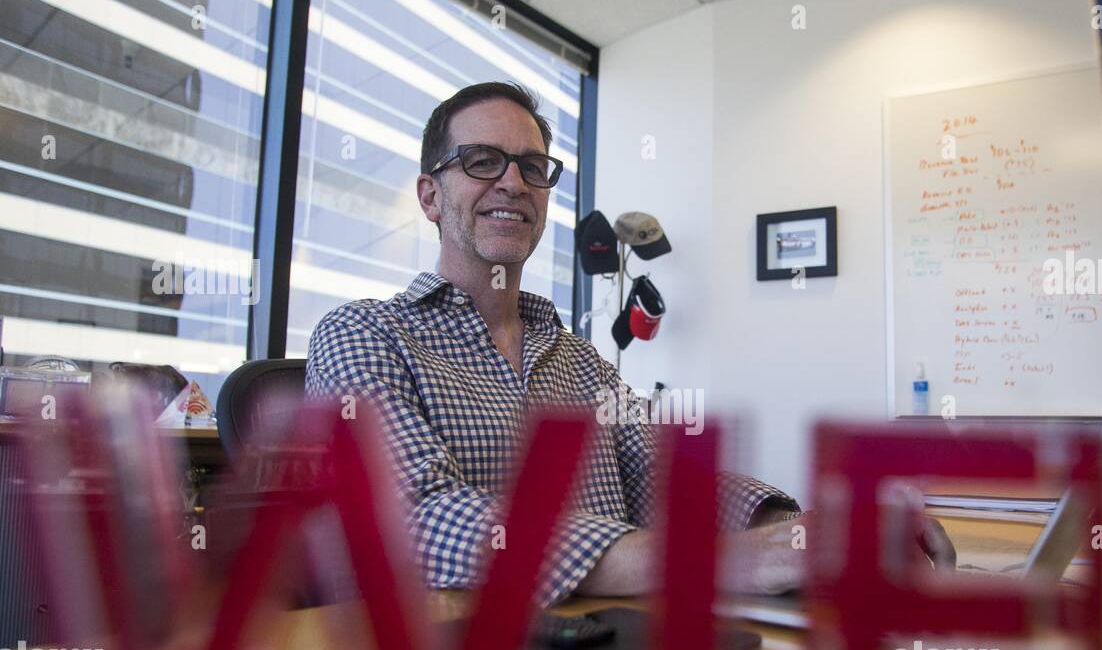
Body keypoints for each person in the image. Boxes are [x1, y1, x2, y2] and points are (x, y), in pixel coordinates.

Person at [306, 81, 952, 605]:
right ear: (429, 196)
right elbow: (408, 520)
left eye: (532, 167)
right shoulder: (362, 335)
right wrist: (718, 561)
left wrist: (796, 531)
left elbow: (663, 479)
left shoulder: (581, 359)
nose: (512, 182)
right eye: (481, 161)